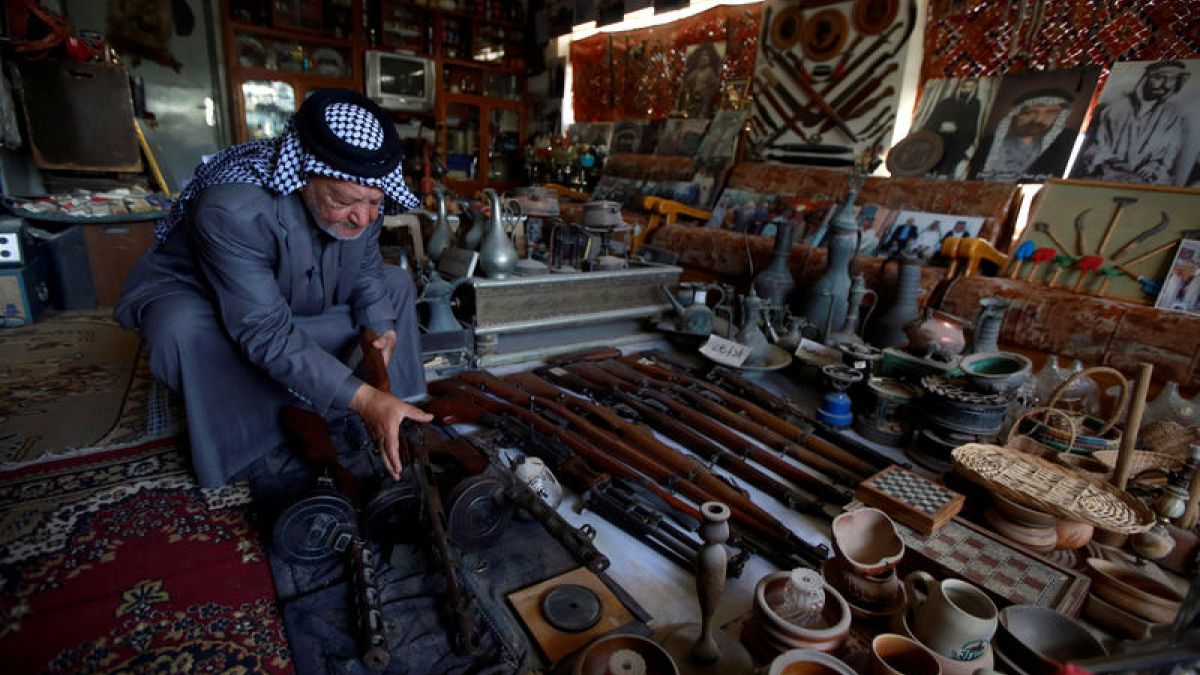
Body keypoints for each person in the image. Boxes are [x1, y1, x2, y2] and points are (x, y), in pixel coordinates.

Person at [115, 88, 432, 488]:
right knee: (179, 328)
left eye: (375, 203)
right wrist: (364, 397)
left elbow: (367, 269)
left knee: (396, 284)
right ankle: (257, 443)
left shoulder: (363, 198)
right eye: (346, 202)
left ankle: (394, 417)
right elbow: (264, 330)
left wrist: (381, 333)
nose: (364, 218)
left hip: (290, 292)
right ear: (303, 177)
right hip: (217, 296)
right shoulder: (231, 210)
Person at [1072, 61, 1190, 185]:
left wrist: (1154, 167)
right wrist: (1114, 163)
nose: (1165, 85)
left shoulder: (1172, 117)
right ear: (1146, 78)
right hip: (1108, 176)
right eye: (1159, 78)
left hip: (1146, 183)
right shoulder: (1114, 109)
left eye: (1172, 79)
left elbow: (1168, 157)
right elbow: (1096, 148)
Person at [973, 88, 1077, 182]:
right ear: (1015, 115)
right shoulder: (988, 145)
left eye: (1050, 113)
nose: (1038, 120)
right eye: (1030, 112)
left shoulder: (1067, 146)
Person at [921, 79, 983, 178]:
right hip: (940, 133)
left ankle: (944, 173)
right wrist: (941, 126)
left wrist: (956, 126)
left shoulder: (975, 104)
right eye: (965, 86)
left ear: (974, 89)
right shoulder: (946, 102)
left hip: (960, 136)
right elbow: (933, 120)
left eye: (970, 87)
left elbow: (971, 125)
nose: (967, 89)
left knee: (954, 145)